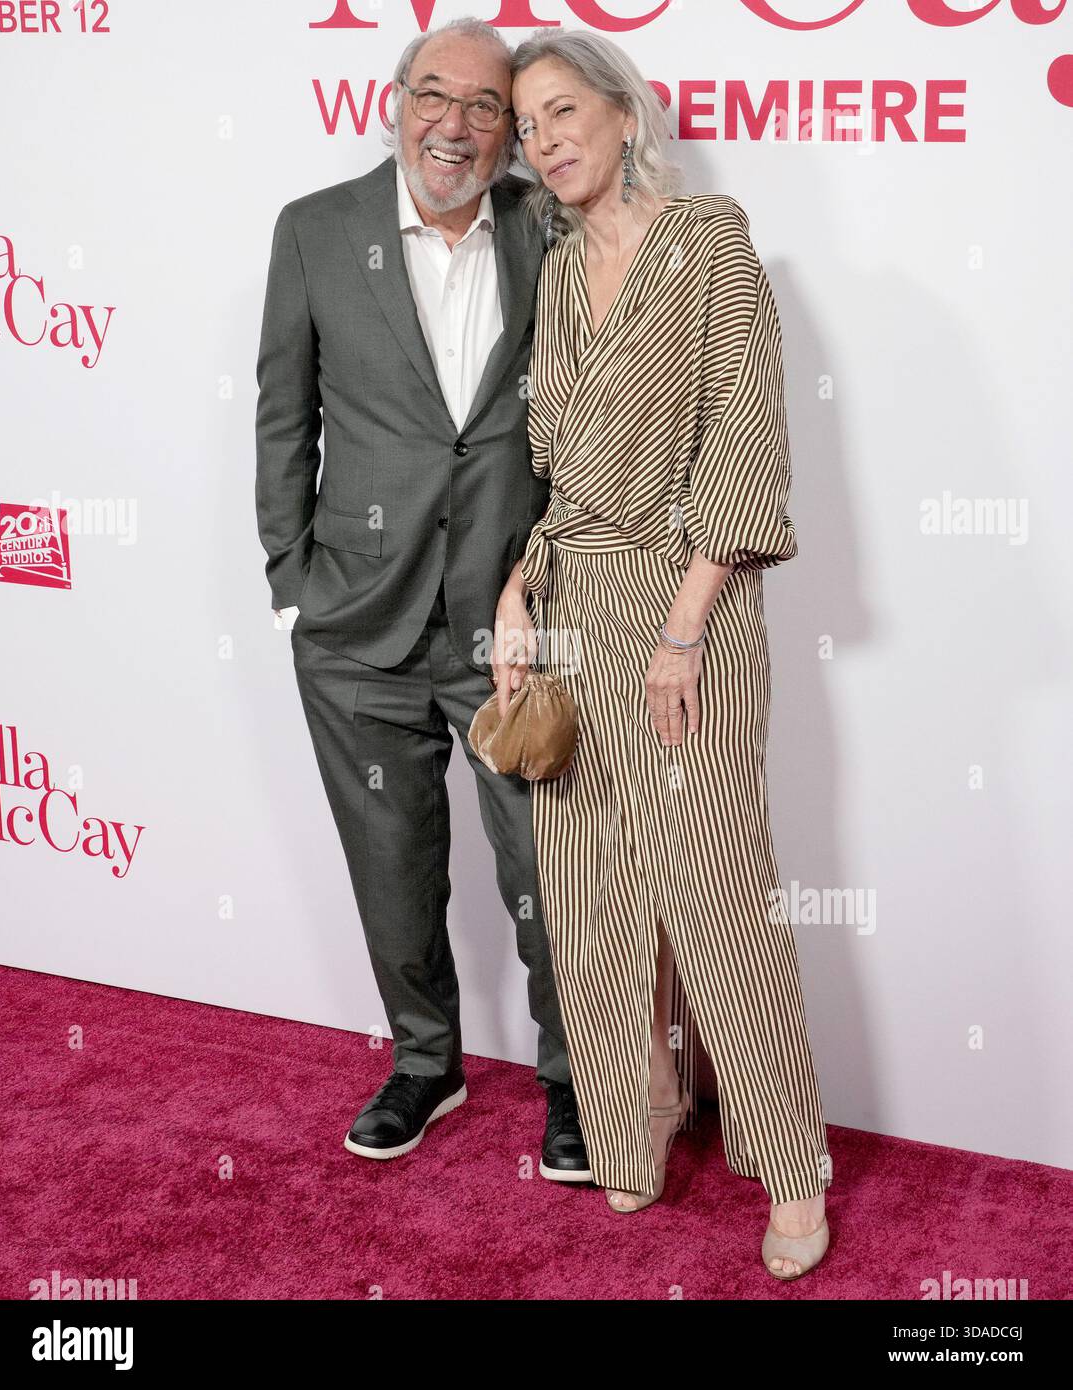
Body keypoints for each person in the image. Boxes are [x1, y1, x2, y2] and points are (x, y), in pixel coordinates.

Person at [489, 28, 833, 1277]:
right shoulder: (556, 268)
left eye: (563, 111)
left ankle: (792, 1168)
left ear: (624, 115)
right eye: (527, 126)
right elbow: (551, 477)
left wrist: (685, 629)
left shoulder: (710, 240)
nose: (545, 140)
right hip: (572, 595)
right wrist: (520, 595)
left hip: (689, 601)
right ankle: (637, 1128)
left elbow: (746, 436)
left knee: (716, 898)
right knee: (586, 893)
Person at [254, 17, 589, 1182]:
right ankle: (425, 1059)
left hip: (508, 621)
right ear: (393, 101)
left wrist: (536, 581)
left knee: (550, 866)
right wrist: (295, 588)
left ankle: (574, 1080)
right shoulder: (315, 230)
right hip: (355, 623)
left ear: (507, 131)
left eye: (485, 107)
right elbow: (281, 419)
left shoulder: (546, 229)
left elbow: (578, 428)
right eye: (433, 97)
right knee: (390, 859)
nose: (454, 124)